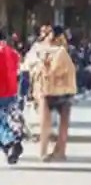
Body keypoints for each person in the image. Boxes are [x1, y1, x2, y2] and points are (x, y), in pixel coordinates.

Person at [26, 26, 78, 161]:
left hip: (46, 89)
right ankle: (59, 151)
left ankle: (44, 151)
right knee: (62, 123)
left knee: (46, 123)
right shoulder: (62, 51)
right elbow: (67, 70)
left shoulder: (37, 49)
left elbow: (27, 65)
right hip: (62, 90)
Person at [0, 33, 23, 164]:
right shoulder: (12, 53)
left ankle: (10, 142)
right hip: (10, 90)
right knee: (7, 117)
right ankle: (12, 142)